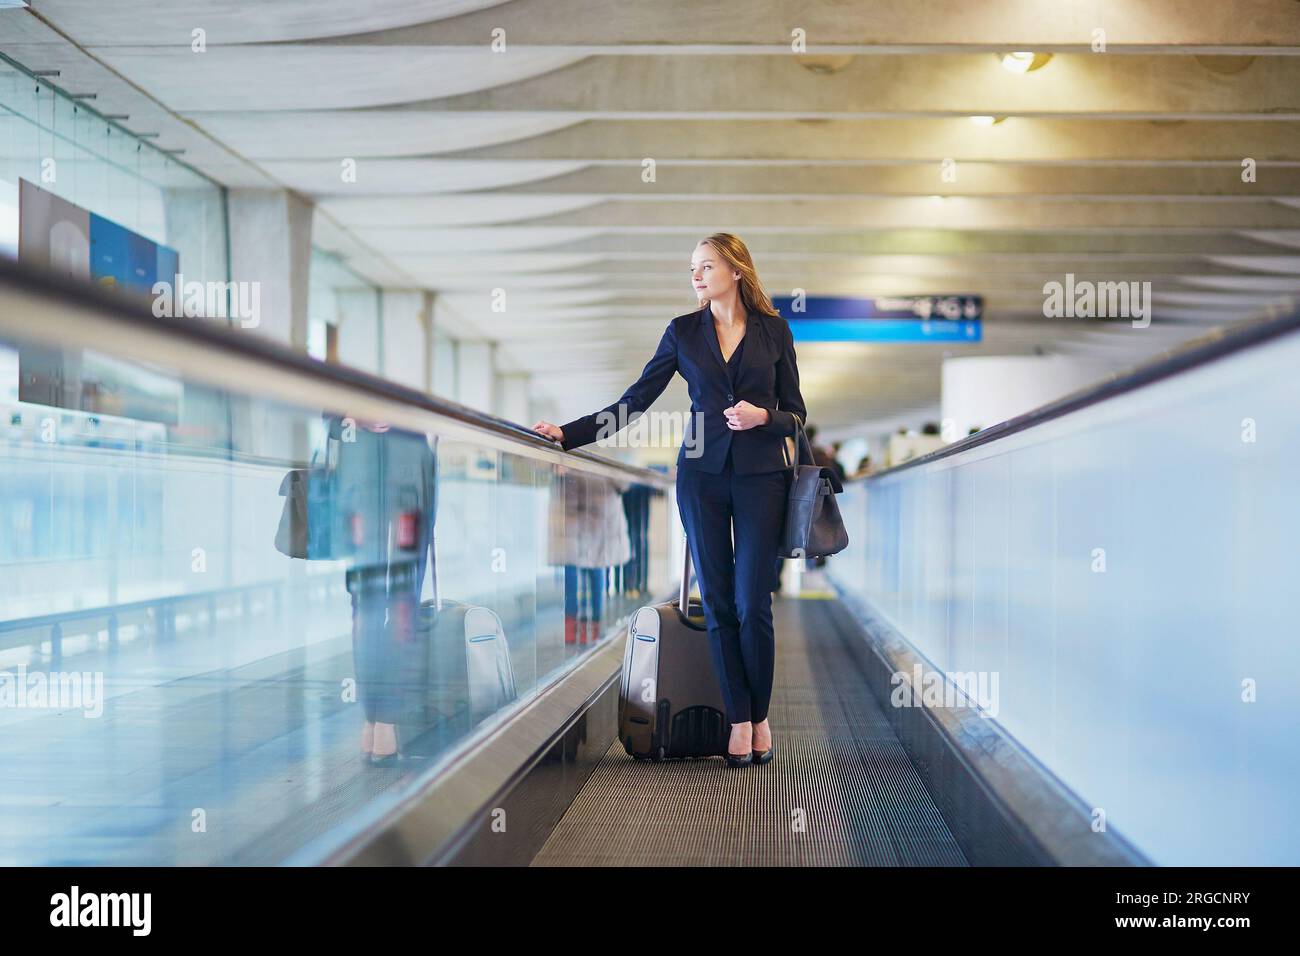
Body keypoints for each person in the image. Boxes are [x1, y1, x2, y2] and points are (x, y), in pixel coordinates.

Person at [533, 232, 807, 768]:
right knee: (720, 601)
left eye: (706, 266)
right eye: (692, 269)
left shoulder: (774, 332)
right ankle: (739, 720)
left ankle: (760, 713)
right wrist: (569, 433)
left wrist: (763, 418)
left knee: (755, 603)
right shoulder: (683, 332)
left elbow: (797, 412)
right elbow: (634, 402)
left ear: (736, 270)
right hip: (701, 476)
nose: (697, 276)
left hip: (761, 477)